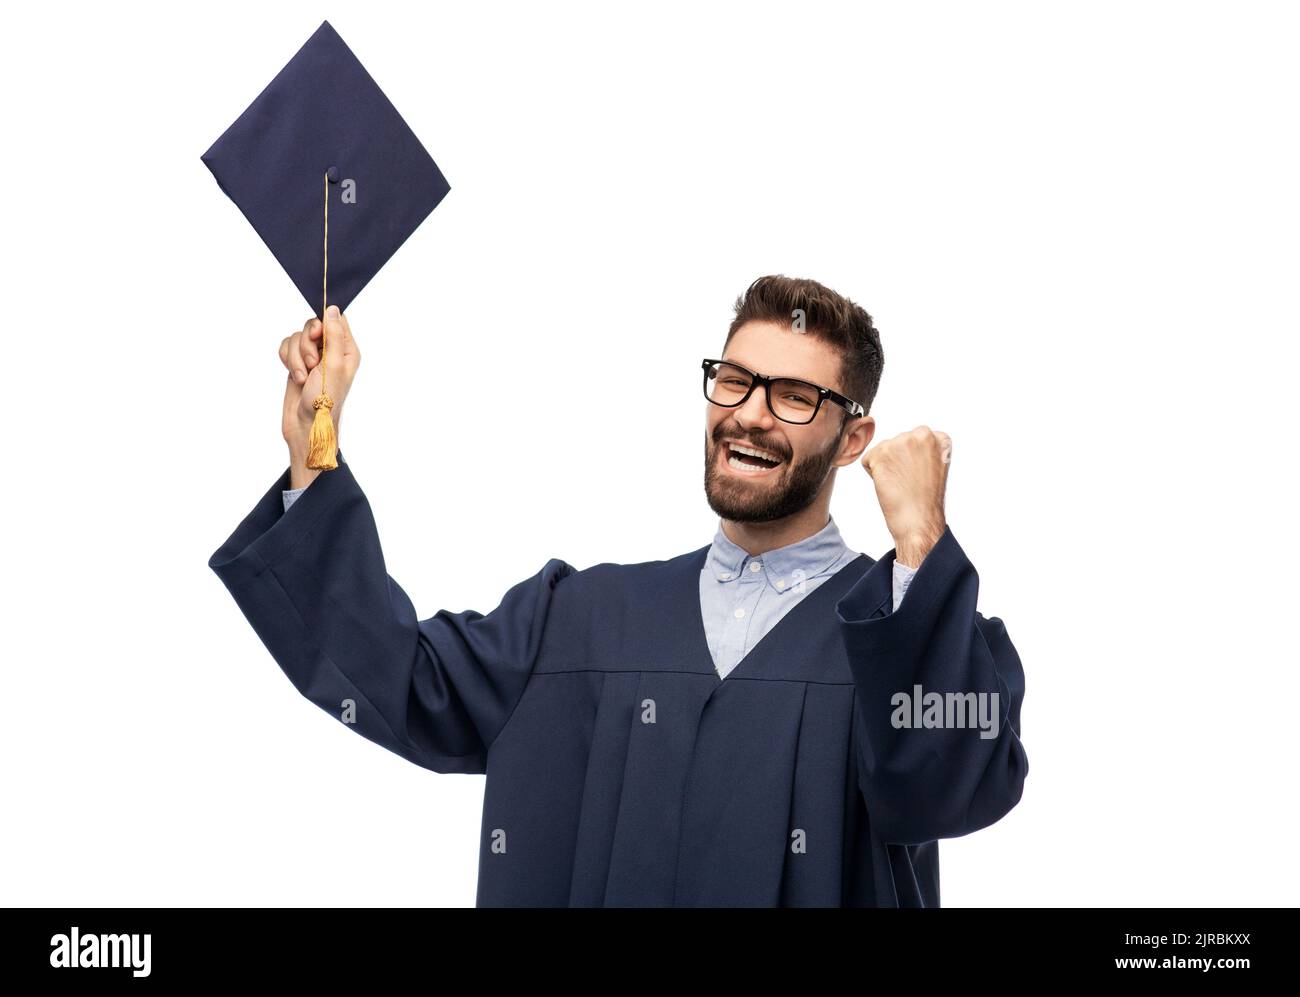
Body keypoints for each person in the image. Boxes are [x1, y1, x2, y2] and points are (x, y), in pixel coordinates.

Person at [209, 274, 1028, 907]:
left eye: (793, 396)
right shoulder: (578, 618)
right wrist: (313, 450)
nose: (749, 415)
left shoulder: (910, 629)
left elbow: (945, 788)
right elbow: (394, 675)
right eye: (734, 380)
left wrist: (921, 543)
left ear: (853, 438)